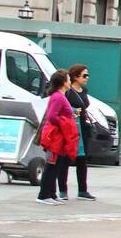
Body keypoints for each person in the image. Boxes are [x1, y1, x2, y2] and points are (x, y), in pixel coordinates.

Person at [36, 70, 79, 206]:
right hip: (56, 136)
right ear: (63, 82)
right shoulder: (58, 97)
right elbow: (52, 116)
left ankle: (52, 194)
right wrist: (65, 123)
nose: (70, 81)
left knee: (57, 165)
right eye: (68, 79)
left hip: (60, 137)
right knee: (52, 165)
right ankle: (44, 195)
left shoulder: (60, 96)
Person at [60, 64, 96, 200]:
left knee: (82, 159)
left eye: (88, 75)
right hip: (71, 127)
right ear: (75, 76)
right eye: (84, 75)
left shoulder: (84, 90)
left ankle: (83, 190)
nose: (87, 78)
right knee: (66, 159)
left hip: (83, 127)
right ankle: (62, 190)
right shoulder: (68, 92)